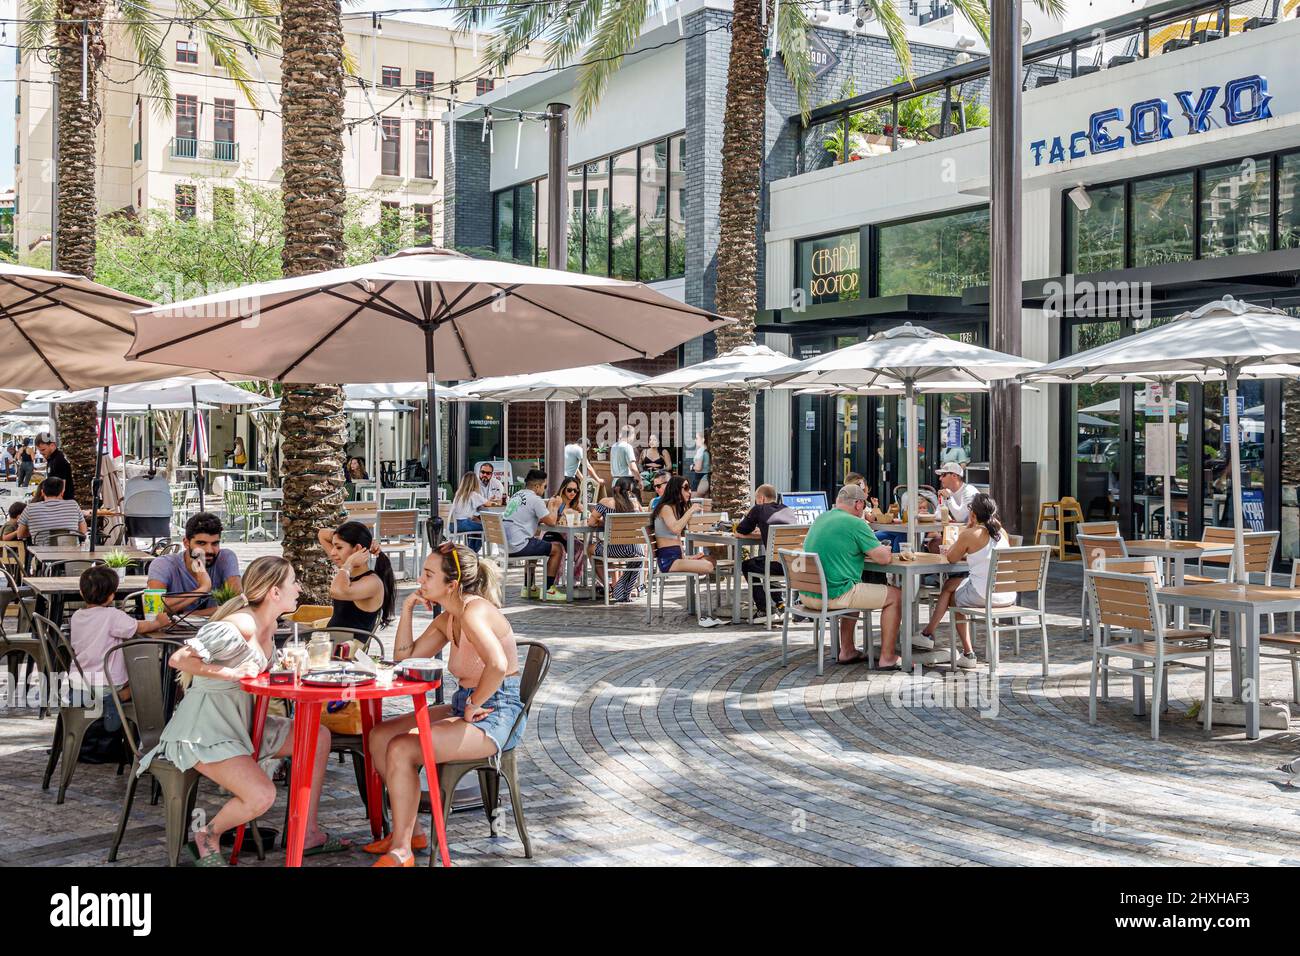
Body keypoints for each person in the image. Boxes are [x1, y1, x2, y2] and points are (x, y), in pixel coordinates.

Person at [138, 556, 344, 865]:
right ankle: (207, 834)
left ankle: (308, 833)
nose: (299, 588)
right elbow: (179, 659)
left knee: (317, 736)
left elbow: (259, 671)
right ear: (274, 592)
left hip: (243, 721)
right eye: (293, 582)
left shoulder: (270, 623)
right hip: (205, 730)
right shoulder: (241, 624)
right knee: (262, 795)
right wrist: (230, 674)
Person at [364, 544, 523, 867]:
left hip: (494, 712)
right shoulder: (449, 618)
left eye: (428, 575)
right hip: (465, 704)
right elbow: (405, 658)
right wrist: (408, 608)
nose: (420, 580)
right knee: (380, 736)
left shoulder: (474, 611)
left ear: (452, 585)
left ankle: (402, 850)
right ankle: (412, 832)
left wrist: (475, 702)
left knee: (401, 748)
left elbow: (497, 663)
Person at [801, 484, 906, 667]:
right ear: (858, 504)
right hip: (833, 595)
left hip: (808, 595)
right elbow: (883, 558)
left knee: (854, 584)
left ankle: (847, 650)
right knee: (896, 596)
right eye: (863, 506)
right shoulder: (856, 523)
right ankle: (888, 657)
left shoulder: (822, 518)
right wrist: (885, 549)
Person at [917, 493, 1015, 670]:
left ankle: (967, 653)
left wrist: (968, 530)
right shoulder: (1002, 532)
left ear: (973, 514)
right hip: (1007, 595)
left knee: (952, 596)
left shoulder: (971, 534)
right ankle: (927, 634)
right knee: (950, 585)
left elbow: (952, 558)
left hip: (984, 595)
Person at [70, 565, 171, 729]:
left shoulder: (76, 616)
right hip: (107, 684)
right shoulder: (113, 616)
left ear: (81, 592)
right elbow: (139, 627)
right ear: (111, 596)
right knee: (146, 681)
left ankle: (113, 702)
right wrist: (158, 622)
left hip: (79, 681)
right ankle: (119, 703)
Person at [651, 476, 720, 627]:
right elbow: (675, 529)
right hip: (668, 561)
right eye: (686, 488)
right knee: (708, 566)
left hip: (675, 558)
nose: (689, 492)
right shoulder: (666, 508)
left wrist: (688, 557)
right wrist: (691, 511)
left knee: (711, 560)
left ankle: (709, 613)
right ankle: (705, 614)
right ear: (677, 490)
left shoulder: (674, 508)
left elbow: (675, 539)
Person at [146, 512, 242, 616]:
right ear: (186, 543)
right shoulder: (163, 564)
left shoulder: (225, 558)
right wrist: (203, 588)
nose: (209, 550)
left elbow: (239, 604)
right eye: (201, 543)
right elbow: (153, 609)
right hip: (169, 631)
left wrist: (187, 615)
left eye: (215, 543)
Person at [316, 520, 396, 632]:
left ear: (357, 549)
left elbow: (336, 591)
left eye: (339, 547)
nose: (333, 552)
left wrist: (348, 564)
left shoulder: (372, 582)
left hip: (349, 647)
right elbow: (322, 534)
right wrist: (364, 541)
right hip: (333, 643)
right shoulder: (347, 572)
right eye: (333, 546)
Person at [501, 468, 564, 598]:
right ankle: (549, 590)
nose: (544, 489)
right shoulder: (535, 499)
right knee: (557, 548)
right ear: (537, 486)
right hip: (519, 545)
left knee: (536, 544)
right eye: (544, 486)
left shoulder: (516, 495)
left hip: (505, 545)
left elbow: (529, 515)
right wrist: (555, 506)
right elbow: (551, 522)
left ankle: (528, 587)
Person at [737, 484, 798, 616]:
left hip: (776, 565)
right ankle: (779, 603)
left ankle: (763, 609)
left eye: (756, 499)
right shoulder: (788, 510)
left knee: (748, 565)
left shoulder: (759, 509)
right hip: (793, 565)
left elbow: (741, 530)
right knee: (770, 561)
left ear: (761, 499)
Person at [587, 476, 644, 602]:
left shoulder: (605, 502)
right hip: (636, 549)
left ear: (615, 488)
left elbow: (591, 522)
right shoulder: (635, 504)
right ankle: (618, 587)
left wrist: (605, 523)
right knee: (607, 547)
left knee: (590, 549)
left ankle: (609, 586)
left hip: (614, 549)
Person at [16, 477, 87, 545]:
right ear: (62, 492)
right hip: (71, 555)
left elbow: (20, 534)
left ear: (42, 492)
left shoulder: (30, 508)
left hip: (42, 556)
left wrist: (36, 531)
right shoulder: (73, 505)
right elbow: (83, 531)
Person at [449, 472, 487, 552]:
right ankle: (472, 552)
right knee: (487, 528)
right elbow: (487, 503)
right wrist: (495, 501)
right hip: (464, 524)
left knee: (477, 527)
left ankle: (470, 551)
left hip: (452, 525)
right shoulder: (473, 494)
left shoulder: (458, 494)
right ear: (475, 483)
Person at [35, 432, 74, 503]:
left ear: (52, 445)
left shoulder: (58, 460)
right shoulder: (52, 459)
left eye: (43, 450)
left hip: (61, 503)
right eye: (39, 450)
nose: (41, 453)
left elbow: (62, 486)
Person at [689, 430, 711, 495]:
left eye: (697, 438)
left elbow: (698, 468)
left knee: (694, 501)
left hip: (699, 479)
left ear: (703, 439)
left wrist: (692, 467)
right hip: (707, 478)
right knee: (706, 503)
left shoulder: (701, 450)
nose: (695, 440)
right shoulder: (707, 450)